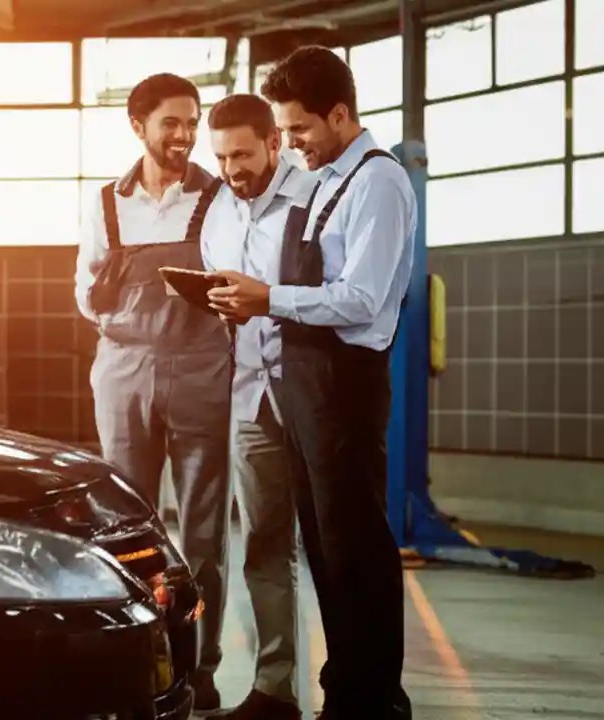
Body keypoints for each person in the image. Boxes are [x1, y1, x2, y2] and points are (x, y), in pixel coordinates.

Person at [207, 46, 417, 720]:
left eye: (298, 129)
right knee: (327, 550)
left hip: (345, 383)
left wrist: (268, 298)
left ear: (340, 114)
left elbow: (360, 298)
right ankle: (345, 693)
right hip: (307, 382)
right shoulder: (327, 177)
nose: (291, 144)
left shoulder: (378, 182)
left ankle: (375, 702)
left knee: (356, 551)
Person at [73, 72, 232, 713]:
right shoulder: (106, 203)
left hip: (200, 366)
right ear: (138, 126)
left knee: (203, 529)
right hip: (124, 365)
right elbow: (84, 293)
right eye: (172, 122)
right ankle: (137, 666)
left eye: (192, 122)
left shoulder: (217, 197)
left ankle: (201, 667)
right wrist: (107, 294)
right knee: (124, 526)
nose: (184, 134)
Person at [198, 93, 318, 720]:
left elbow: (343, 294)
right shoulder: (220, 209)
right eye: (221, 157)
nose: (231, 169)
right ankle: (275, 690)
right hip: (251, 393)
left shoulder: (315, 197)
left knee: (333, 548)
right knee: (266, 546)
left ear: (275, 142)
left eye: (242, 154)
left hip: (314, 393)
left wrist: (266, 298)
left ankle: (355, 691)